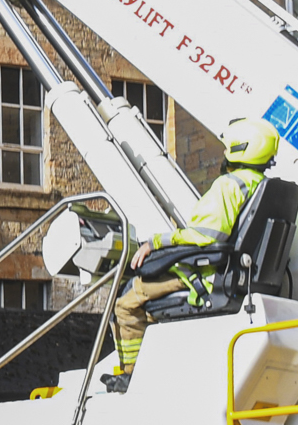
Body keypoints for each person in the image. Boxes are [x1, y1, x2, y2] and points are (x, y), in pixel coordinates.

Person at [104, 115, 280, 392]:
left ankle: (132, 377)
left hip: (207, 276)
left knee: (126, 301)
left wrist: (156, 243)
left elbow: (204, 237)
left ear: (239, 148)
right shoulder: (265, 187)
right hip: (237, 276)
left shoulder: (229, 185)